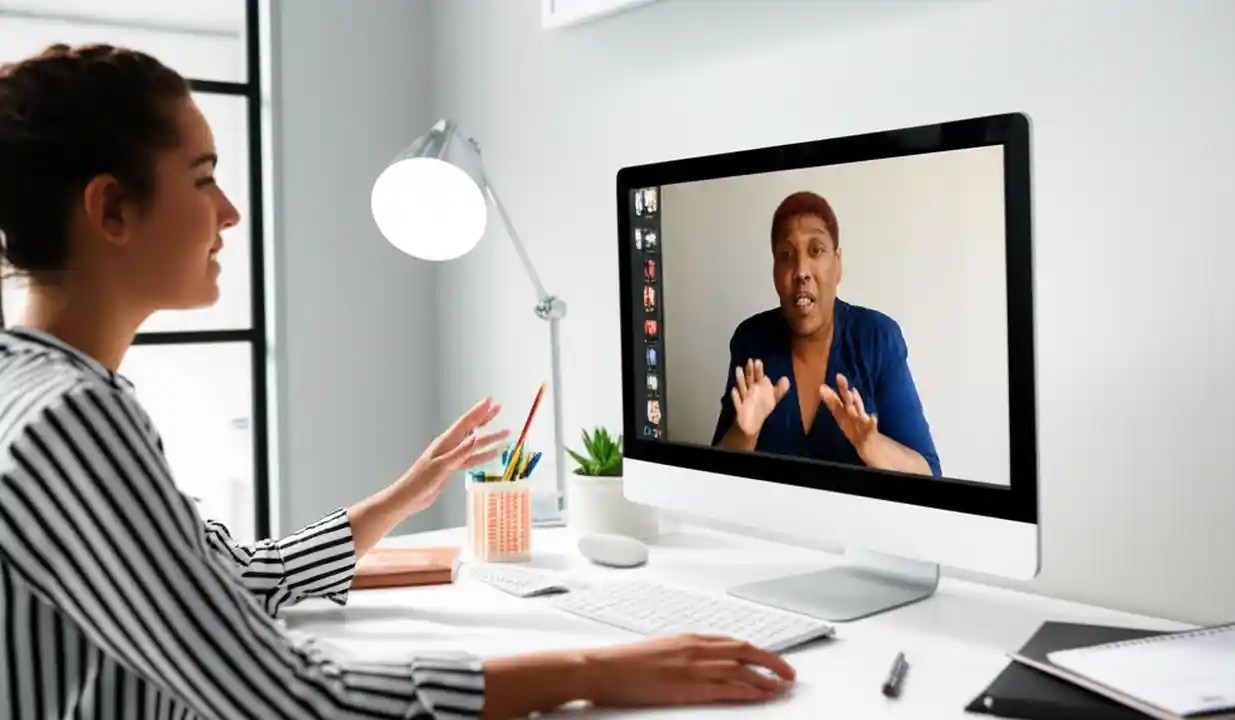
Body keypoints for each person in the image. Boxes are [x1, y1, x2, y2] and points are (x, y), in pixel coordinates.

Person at [0, 44, 795, 720]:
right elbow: (288, 699)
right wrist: (593, 672)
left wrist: (402, 497)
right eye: (203, 178)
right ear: (111, 211)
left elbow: (226, 579)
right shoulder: (72, 420)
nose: (231, 213)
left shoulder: (31, 388)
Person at [712, 191, 941, 477]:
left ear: (837, 263)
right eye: (787, 255)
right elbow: (714, 475)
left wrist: (871, 445)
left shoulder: (877, 339)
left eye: (816, 250)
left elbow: (930, 474)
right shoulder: (752, 341)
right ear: (774, 272)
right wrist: (745, 433)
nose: (801, 271)